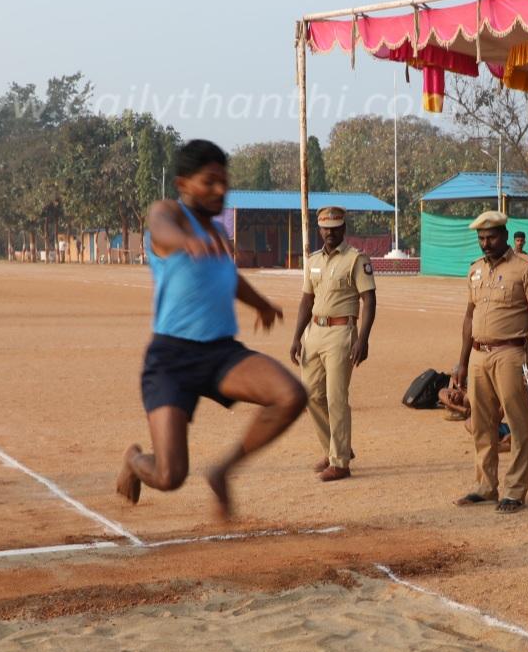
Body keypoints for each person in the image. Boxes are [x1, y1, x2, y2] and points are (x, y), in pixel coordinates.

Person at [115, 139, 305, 520]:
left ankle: (222, 471)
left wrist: (261, 304)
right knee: (170, 476)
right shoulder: (169, 214)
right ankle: (135, 461)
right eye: (210, 182)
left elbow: (228, 278)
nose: (221, 190)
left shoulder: (218, 234)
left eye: (224, 181)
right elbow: (162, 230)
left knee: (290, 395)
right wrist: (187, 242)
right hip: (171, 359)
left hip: (221, 354)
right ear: (185, 183)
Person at [450, 210, 528, 513]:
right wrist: (462, 361)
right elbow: (469, 316)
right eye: (480, 238)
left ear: (505, 235)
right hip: (479, 355)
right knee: (481, 424)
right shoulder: (475, 269)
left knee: (518, 424)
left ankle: (515, 490)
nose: (485, 243)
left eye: (490, 237)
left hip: (511, 353)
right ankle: (486, 486)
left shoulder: (527, 268)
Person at [288, 206, 376, 482]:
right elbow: (306, 300)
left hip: (341, 333)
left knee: (336, 398)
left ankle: (339, 462)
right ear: (319, 230)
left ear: (343, 229)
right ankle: (336, 448)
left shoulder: (355, 259)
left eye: (335, 227)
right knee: (310, 394)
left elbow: (369, 300)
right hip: (314, 331)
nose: (329, 232)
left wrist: (363, 338)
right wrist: (296, 337)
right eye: (325, 228)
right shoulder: (313, 261)